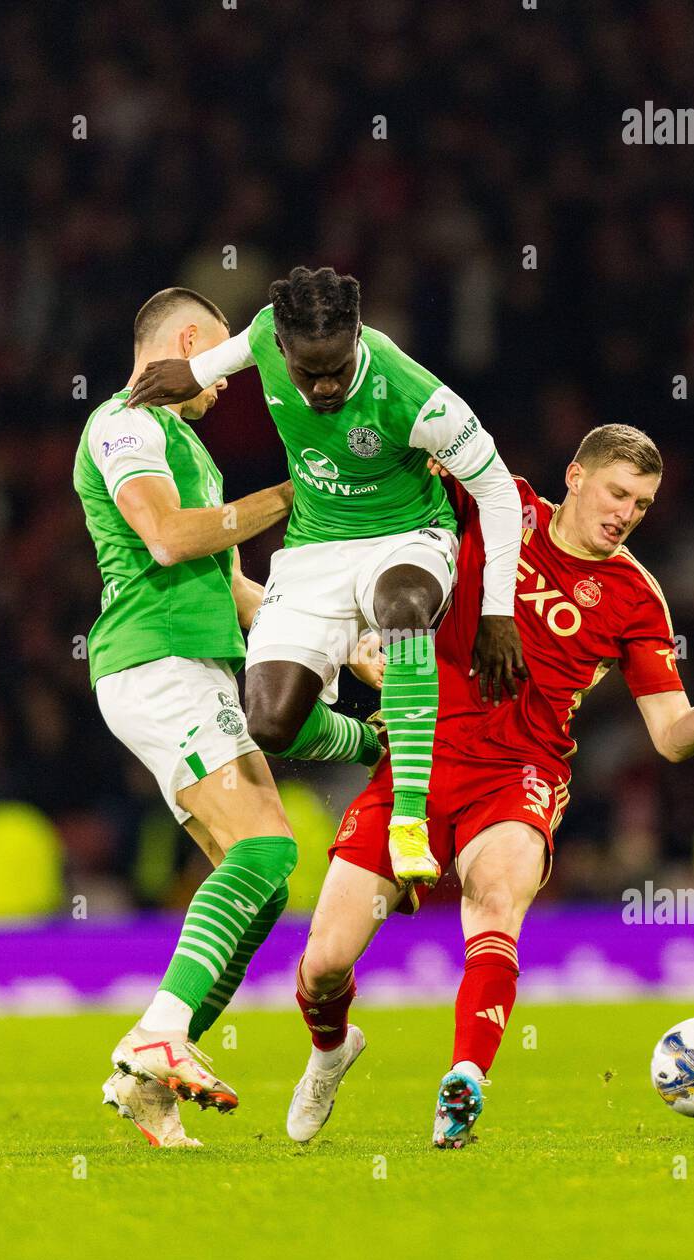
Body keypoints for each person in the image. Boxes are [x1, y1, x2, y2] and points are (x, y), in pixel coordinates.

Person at [284, 424, 694, 1148]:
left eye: (641, 504)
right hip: (418, 757)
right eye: (617, 493)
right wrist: (362, 637)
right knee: (324, 965)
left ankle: (465, 1082)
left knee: (496, 899)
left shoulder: (634, 597)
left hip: (521, 773)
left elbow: (671, 736)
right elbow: (388, 526)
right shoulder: (497, 504)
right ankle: (330, 1050)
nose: (626, 514)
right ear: (575, 476)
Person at [74, 286, 377, 1148]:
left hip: (191, 662)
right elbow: (168, 538)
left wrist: (341, 644)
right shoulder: (125, 423)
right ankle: (159, 1034)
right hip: (156, 659)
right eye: (219, 363)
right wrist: (291, 493)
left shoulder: (187, 447)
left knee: (264, 883)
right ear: (189, 341)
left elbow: (237, 588)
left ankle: (148, 1078)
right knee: (267, 848)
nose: (225, 383)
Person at [126, 266, 526, 886]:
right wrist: (194, 374)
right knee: (269, 723)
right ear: (282, 349)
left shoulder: (414, 394)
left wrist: (498, 611)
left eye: (337, 368)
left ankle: (410, 817)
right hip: (314, 547)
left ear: (358, 336)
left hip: (407, 536)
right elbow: (236, 350)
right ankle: (377, 742)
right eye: (308, 373)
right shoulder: (267, 334)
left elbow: (497, 490)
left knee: (403, 607)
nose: (325, 386)